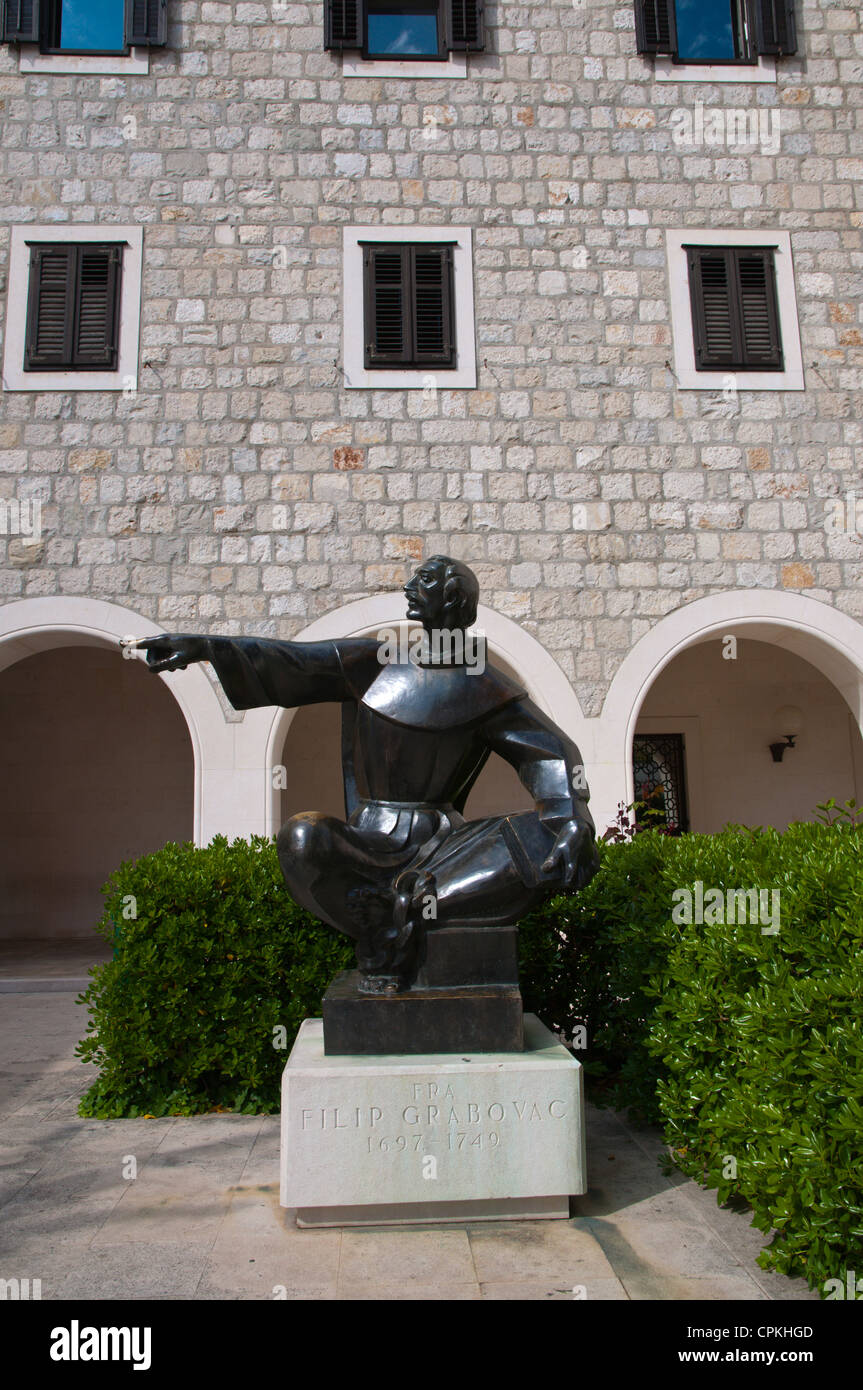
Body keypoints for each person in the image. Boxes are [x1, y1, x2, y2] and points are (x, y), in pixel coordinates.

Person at [136, 555, 599, 994]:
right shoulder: (372, 663)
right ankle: (391, 922)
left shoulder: (485, 686)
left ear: (454, 601)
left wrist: (571, 819)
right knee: (303, 838)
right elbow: (294, 661)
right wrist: (207, 648)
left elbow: (554, 752)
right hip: (368, 842)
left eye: (426, 581)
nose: (409, 587)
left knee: (545, 836)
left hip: (444, 850)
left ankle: (396, 917)